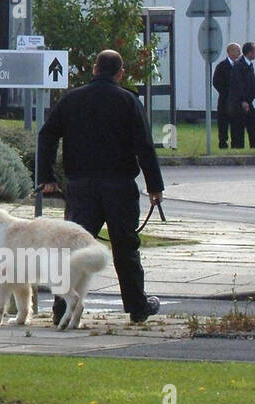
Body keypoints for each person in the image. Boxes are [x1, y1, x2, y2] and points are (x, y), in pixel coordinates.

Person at [37, 50, 163, 325]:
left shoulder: (71, 99)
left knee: (72, 248)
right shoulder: (128, 100)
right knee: (125, 247)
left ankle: (61, 307)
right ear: (120, 73)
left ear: (94, 69)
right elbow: (144, 145)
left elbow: (46, 136)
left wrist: (47, 176)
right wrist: (155, 186)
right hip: (119, 185)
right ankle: (137, 306)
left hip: (81, 186)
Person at [228, 41, 255, 149]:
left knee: (254, 127)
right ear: (250, 53)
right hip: (240, 104)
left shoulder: (249, 65)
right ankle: (238, 150)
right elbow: (238, 84)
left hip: (249, 102)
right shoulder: (239, 65)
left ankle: (254, 148)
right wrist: (243, 100)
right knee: (238, 129)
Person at [212, 42, 241, 150]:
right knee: (223, 124)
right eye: (238, 50)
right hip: (224, 101)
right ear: (230, 52)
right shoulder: (222, 66)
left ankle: (236, 145)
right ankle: (223, 144)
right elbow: (216, 82)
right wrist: (226, 92)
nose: (239, 53)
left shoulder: (239, 65)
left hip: (236, 102)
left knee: (236, 124)